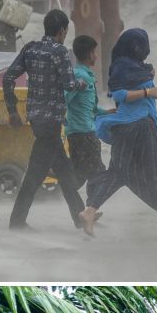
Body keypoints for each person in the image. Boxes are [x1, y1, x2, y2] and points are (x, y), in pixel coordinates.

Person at [79, 29, 157, 237]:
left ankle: (90, 211)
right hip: (142, 126)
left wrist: (148, 78)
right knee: (156, 175)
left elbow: (123, 88)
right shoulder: (125, 67)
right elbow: (121, 94)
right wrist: (148, 92)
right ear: (136, 47)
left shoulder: (127, 66)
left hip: (126, 127)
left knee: (119, 173)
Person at [2, 8, 89, 231]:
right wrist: (82, 84)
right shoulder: (60, 51)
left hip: (36, 118)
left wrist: (12, 110)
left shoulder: (30, 48)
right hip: (52, 119)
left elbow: (8, 77)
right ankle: (17, 222)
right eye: (66, 31)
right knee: (35, 174)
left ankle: (81, 217)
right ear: (62, 31)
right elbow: (70, 84)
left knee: (64, 170)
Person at [64, 34, 108, 194]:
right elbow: (65, 98)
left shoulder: (87, 75)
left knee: (81, 175)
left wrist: (109, 112)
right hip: (82, 132)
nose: (96, 55)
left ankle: (87, 210)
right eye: (95, 52)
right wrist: (75, 87)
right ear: (89, 54)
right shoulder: (79, 76)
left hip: (84, 130)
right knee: (98, 172)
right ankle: (90, 209)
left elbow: (90, 109)